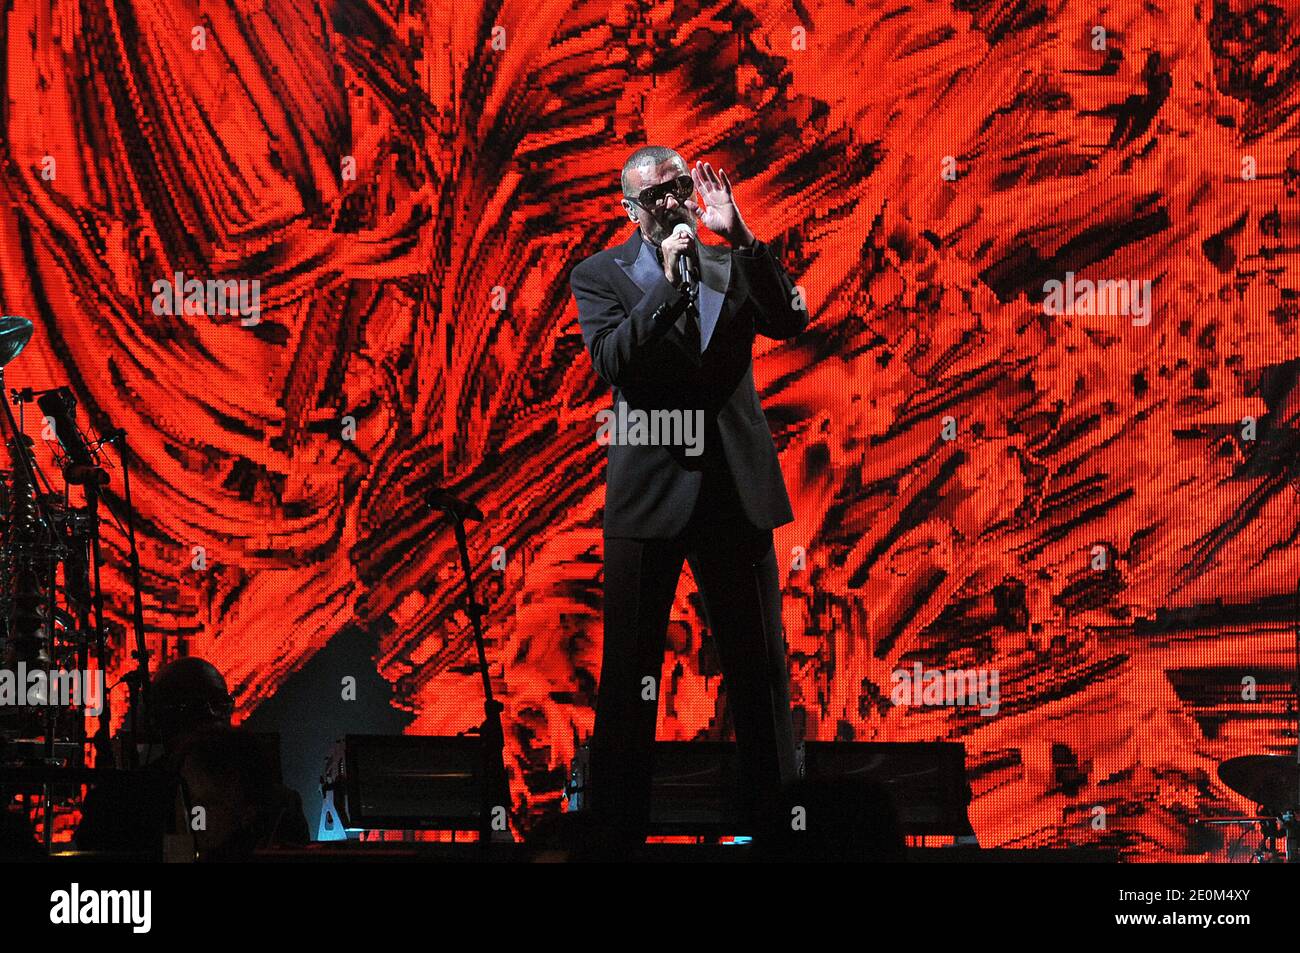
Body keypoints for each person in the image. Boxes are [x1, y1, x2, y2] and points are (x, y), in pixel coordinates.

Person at [569, 146, 808, 850]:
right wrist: (669, 288)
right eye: (656, 195)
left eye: (681, 188)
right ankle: (619, 835)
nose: (673, 203)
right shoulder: (601, 275)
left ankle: (778, 829)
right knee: (629, 678)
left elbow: (791, 318)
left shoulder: (730, 263)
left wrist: (739, 234)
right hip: (650, 497)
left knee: (759, 668)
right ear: (630, 208)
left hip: (734, 489)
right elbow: (616, 361)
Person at [75, 656, 309, 858]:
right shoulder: (118, 808)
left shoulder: (279, 806)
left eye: (219, 703)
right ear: (158, 718)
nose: (210, 714)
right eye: (191, 705)